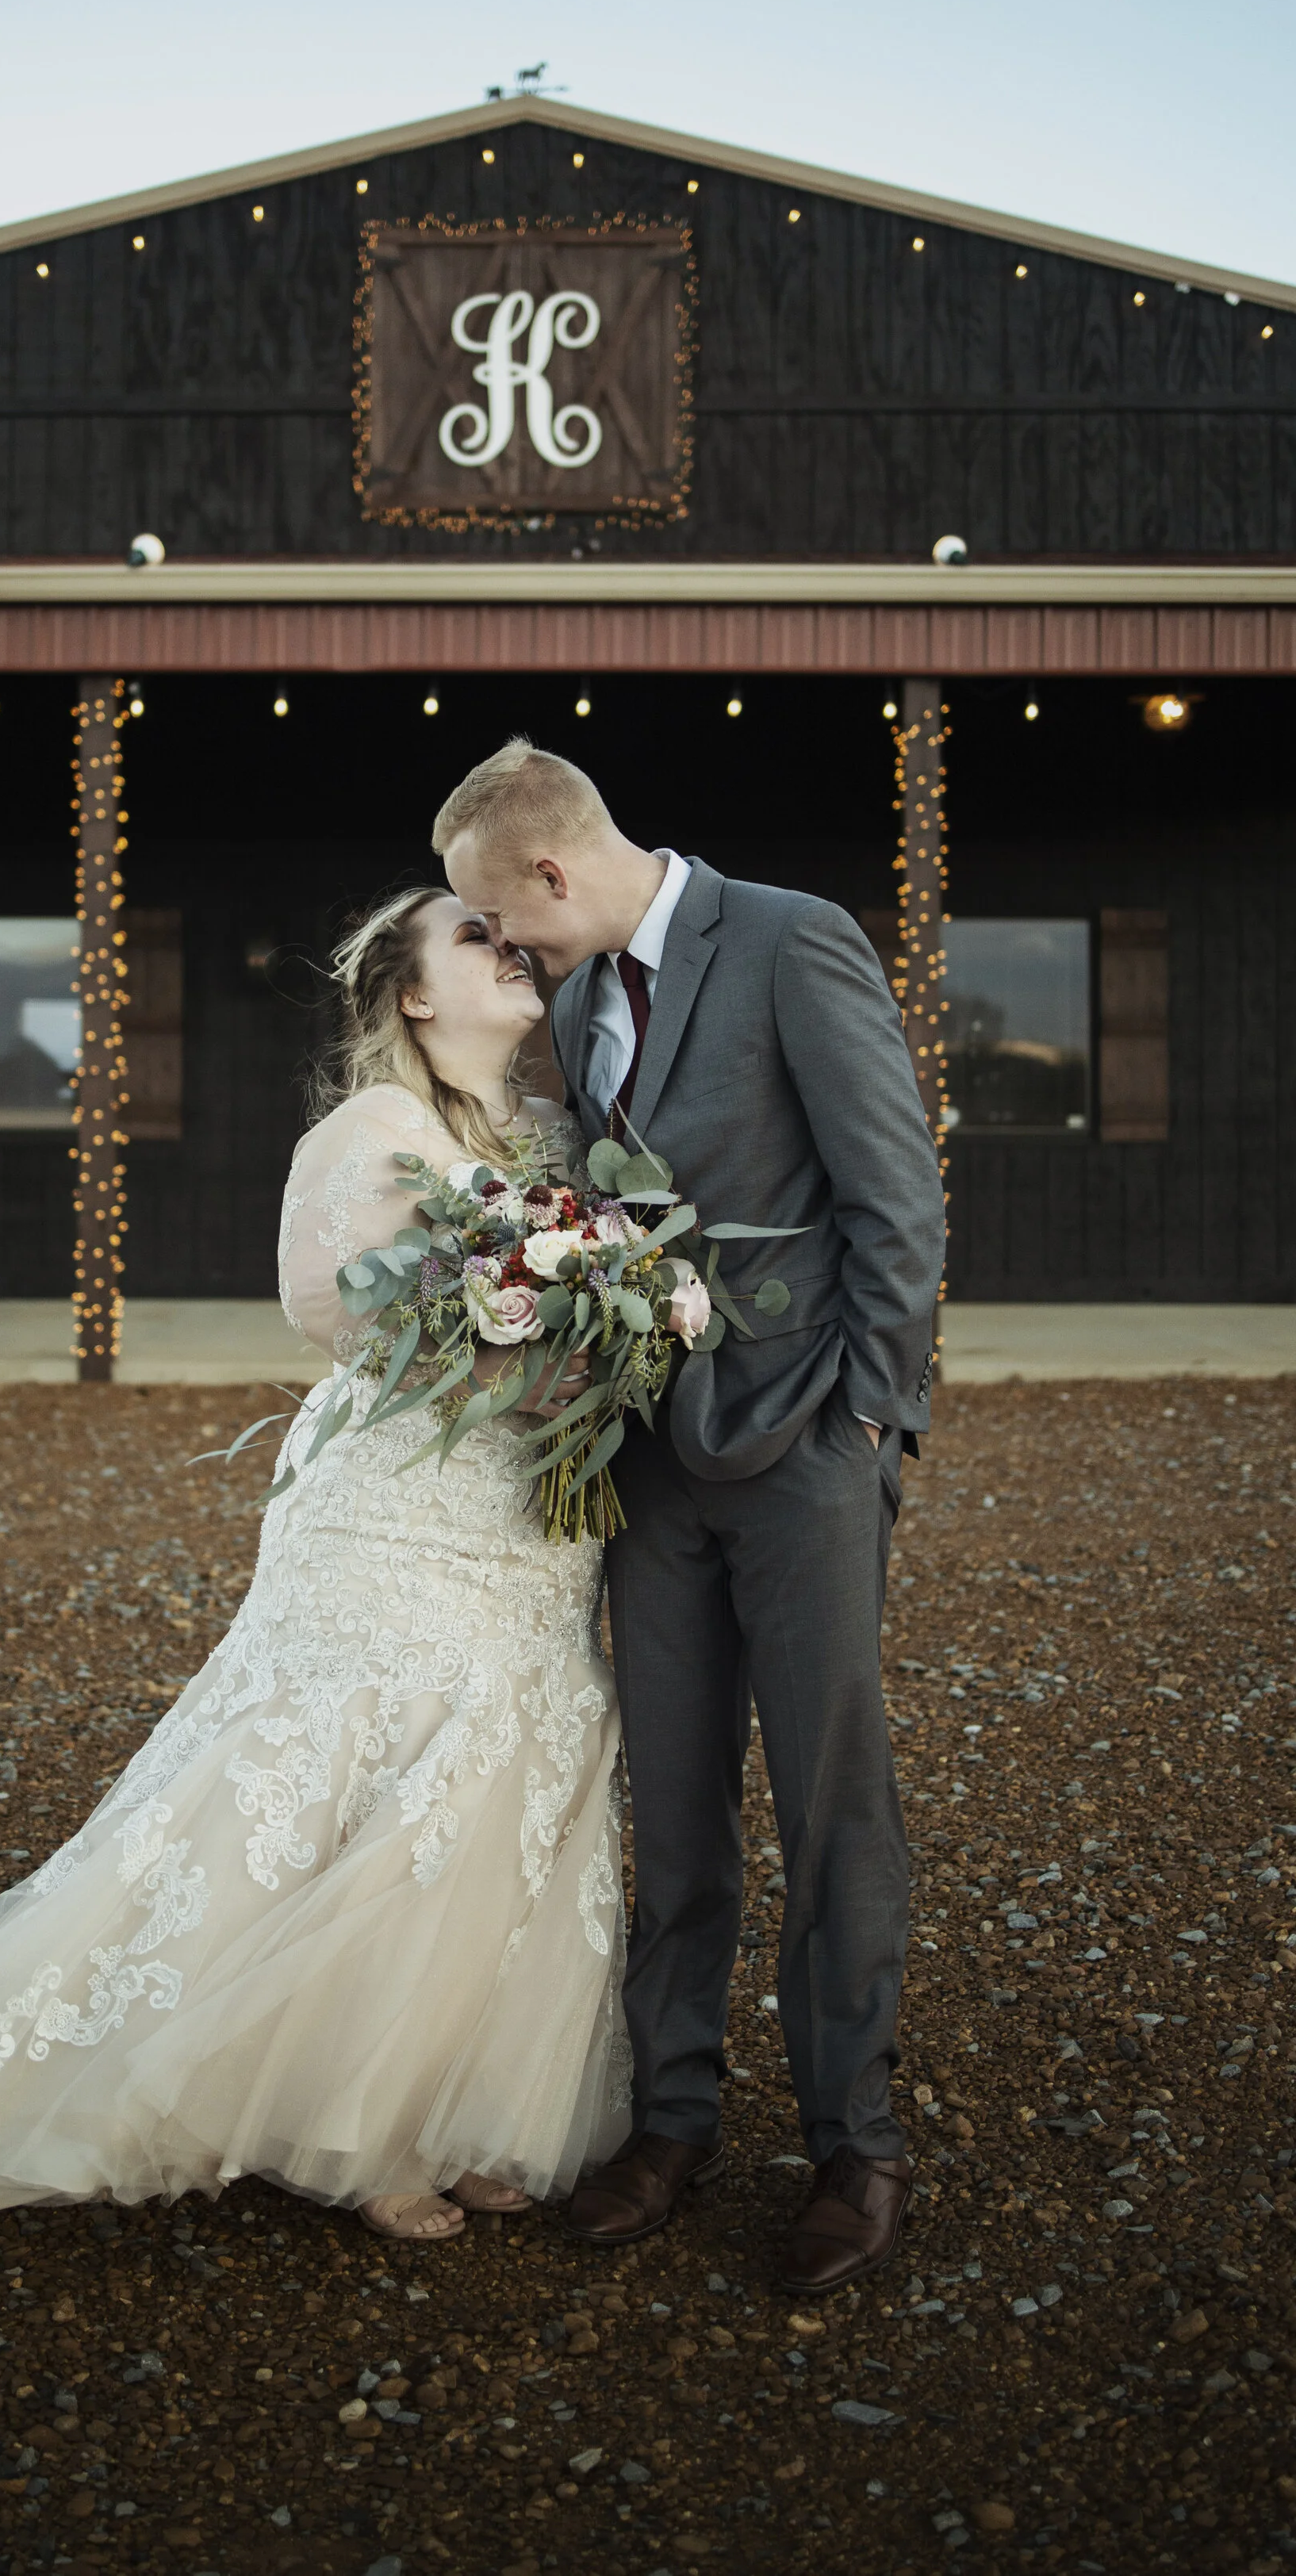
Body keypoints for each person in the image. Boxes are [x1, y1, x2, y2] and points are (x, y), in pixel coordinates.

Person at [0, 888, 627, 2247]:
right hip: (403, 1509)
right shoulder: (371, 1129)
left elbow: (586, 1292)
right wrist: (499, 1348)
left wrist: (594, 1342)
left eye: (509, 933)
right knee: (367, 1784)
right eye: (471, 938)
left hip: (529, 1521)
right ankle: (354, 2128)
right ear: (416, 996)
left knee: (510, 1782)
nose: (507, 948)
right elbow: (327, 1309)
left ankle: (457, 2105)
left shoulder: (550, 1137)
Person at [437, 741, 945, 2295]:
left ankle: (850, 2149)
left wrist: (869, 1414)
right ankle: (671, 2122)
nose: (506, 957)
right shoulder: (584, 1000)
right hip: (646, 1459)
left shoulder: (791, 939)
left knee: (826, 1800)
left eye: (498, 922)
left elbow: (893, 1194)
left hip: (801, 1450)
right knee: (667, 1799)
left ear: (546, 873)